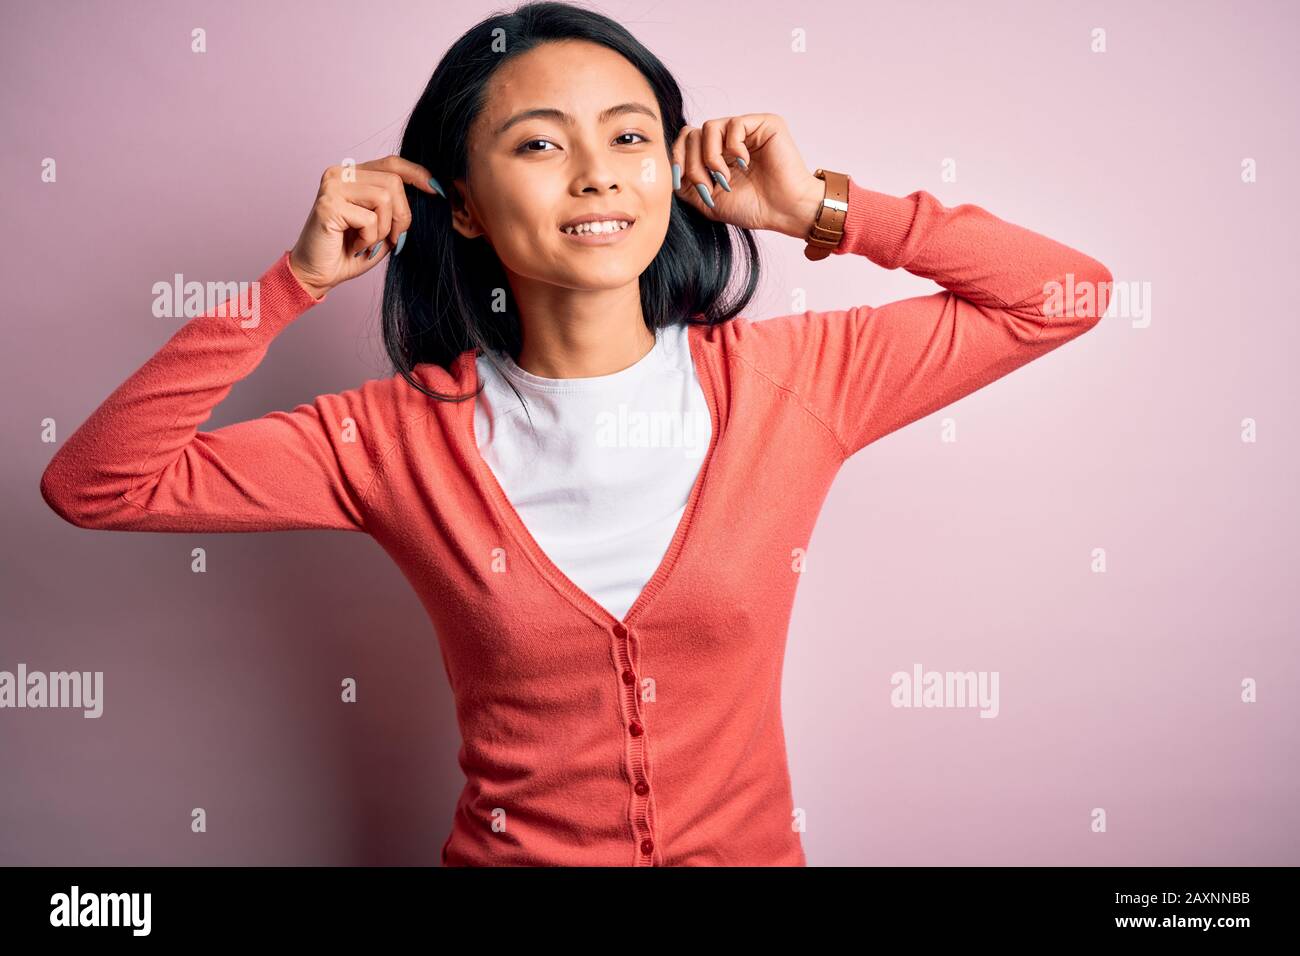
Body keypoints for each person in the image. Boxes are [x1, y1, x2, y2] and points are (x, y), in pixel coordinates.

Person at [39, 1, 1111, 866]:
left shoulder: (791, 382)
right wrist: (293, 284)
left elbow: (1064, 293)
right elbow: (99, 484)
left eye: (631, 137)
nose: (597, 172)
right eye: (540, 143)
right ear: (462, 204)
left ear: (668, 170)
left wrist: (822, 208)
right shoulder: (394, 438)